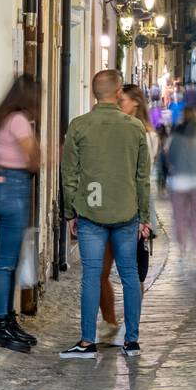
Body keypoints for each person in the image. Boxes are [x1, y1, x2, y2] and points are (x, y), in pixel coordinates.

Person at [60, 70, 151, 359]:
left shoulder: (79, 126)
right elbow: (142, 177)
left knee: (91, 275)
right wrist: (145, 216)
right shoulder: (135, 128)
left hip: (90, 213)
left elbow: (69, 174)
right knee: (129, 274)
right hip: (126, 213)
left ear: (94, 94)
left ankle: (87, 342)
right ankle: (132, 341)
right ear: (117, 93)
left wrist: (69, 211)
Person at [0, 76, 42, 352]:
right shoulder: (18, 121)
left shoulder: (4, 118)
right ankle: (1, 325)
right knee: (7, 261)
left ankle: (7, 319)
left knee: (9, 259)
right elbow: (33, 159)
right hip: (13, 189)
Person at [164, 88, 196, 251]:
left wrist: (169, 170)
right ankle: (195, 238)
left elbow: (170, 156)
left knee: (179, 213)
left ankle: (181, 241)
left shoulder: (176, 134)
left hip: (178, 180)